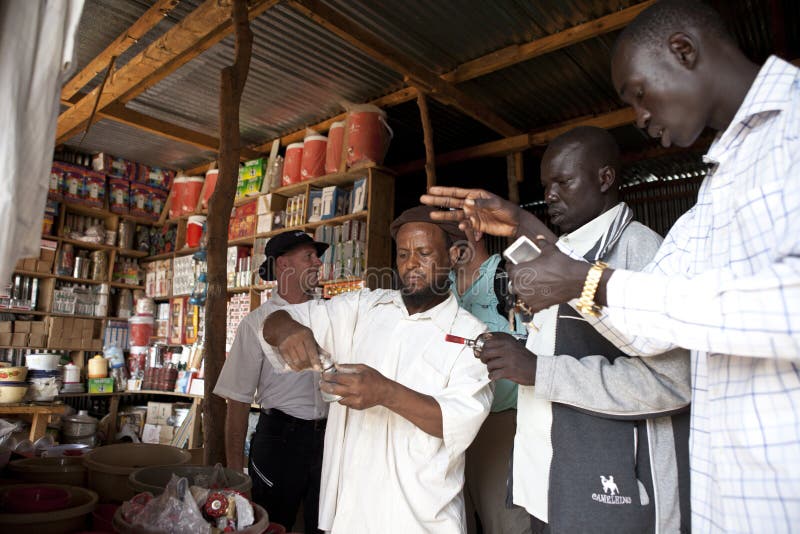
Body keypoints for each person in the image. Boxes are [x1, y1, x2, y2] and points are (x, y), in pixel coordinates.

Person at [424, 1, 800, 531]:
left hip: (624, 488)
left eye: (638, 94)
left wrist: (550, 352)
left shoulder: (787, 136)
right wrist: (527, 233)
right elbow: (643, 324)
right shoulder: (715, 191)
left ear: (683, 50)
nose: (639, 118)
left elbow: (676, 370)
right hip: (580, 479)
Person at [430, 126, 692, 533]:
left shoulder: (638, 250)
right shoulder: (559, 256)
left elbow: (673, 382)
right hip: (550, 483)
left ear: (605, 179)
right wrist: (516, 350)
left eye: (563, 182)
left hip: (612, 489)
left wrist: (538, 371)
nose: (550, 195)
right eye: (546, 185)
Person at [260, 206, 492, 533]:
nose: (411, 263)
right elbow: (273, 321)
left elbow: (457, 421)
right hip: (351, 514)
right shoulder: (364, 307)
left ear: (454, 255)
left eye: (424, 253)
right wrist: (287, 329)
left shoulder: (472, 335)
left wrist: (385, 392)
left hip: (420, 518)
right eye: (403, 254)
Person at [214, 230, 330, 533]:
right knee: (272, 523)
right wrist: (236, 474)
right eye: (309, 256)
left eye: (317, 256)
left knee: (325, 524)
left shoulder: (331, 315)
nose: (318, 262)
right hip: (280, 441)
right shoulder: (254, 325)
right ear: (282, 265)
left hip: (329, 439)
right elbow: (237, 403)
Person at [447, 229, 531, 534]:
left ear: (478, 227)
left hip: (499, 423)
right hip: (448, 425)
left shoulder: (509, 278)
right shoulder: (442, 287)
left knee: (505, 522)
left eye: (454, 222)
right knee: (453, 522)